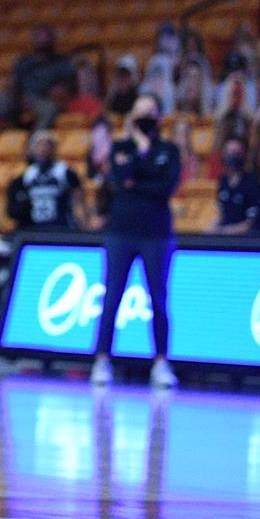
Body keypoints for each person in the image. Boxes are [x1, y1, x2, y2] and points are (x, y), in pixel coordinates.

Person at [91, 94, 179, 389]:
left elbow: (165, 188)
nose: (145, 118)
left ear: (159, 117)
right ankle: (102, 360)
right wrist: (141, 158)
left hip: (156, 233)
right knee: (112, 295)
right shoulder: (120, 148)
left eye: (150, 112)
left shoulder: (170, 150)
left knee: (158, 297)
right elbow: (120, 179)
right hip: (121, 231)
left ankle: (161, 362)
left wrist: (138, 177)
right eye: (140, 112)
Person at [6, 131, 88, 232]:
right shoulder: (24, 177)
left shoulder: (65, 173)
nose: (43, 149)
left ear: (54, 148)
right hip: (33, 229)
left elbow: (79, 200)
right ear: (31, 149)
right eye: (39, 145)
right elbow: (13, 209)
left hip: (61, 228)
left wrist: (82, 224)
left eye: (47, 145)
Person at [0, 25, 74, 130]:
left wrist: (60, 92)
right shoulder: (24, 61)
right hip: (23, 97)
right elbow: (15, 82)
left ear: (52, 39)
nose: (43, 40)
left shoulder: (61, 62)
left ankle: (36, 140)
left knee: (49, 110)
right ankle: (9, 134)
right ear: (34, 39)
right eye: (39, 36)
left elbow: (67, 85)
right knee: (4, 98)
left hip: (46, 99)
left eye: (46, 36)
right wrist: (21, 98)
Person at [210, 136, 260, 234]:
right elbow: (221, 214)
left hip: (243, 240)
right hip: (224, 238)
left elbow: (252, 223)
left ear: (244, 155)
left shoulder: (252, 183)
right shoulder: (223, 181)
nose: (231, 156)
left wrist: (225, 231)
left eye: (236, 153)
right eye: (228, 152)